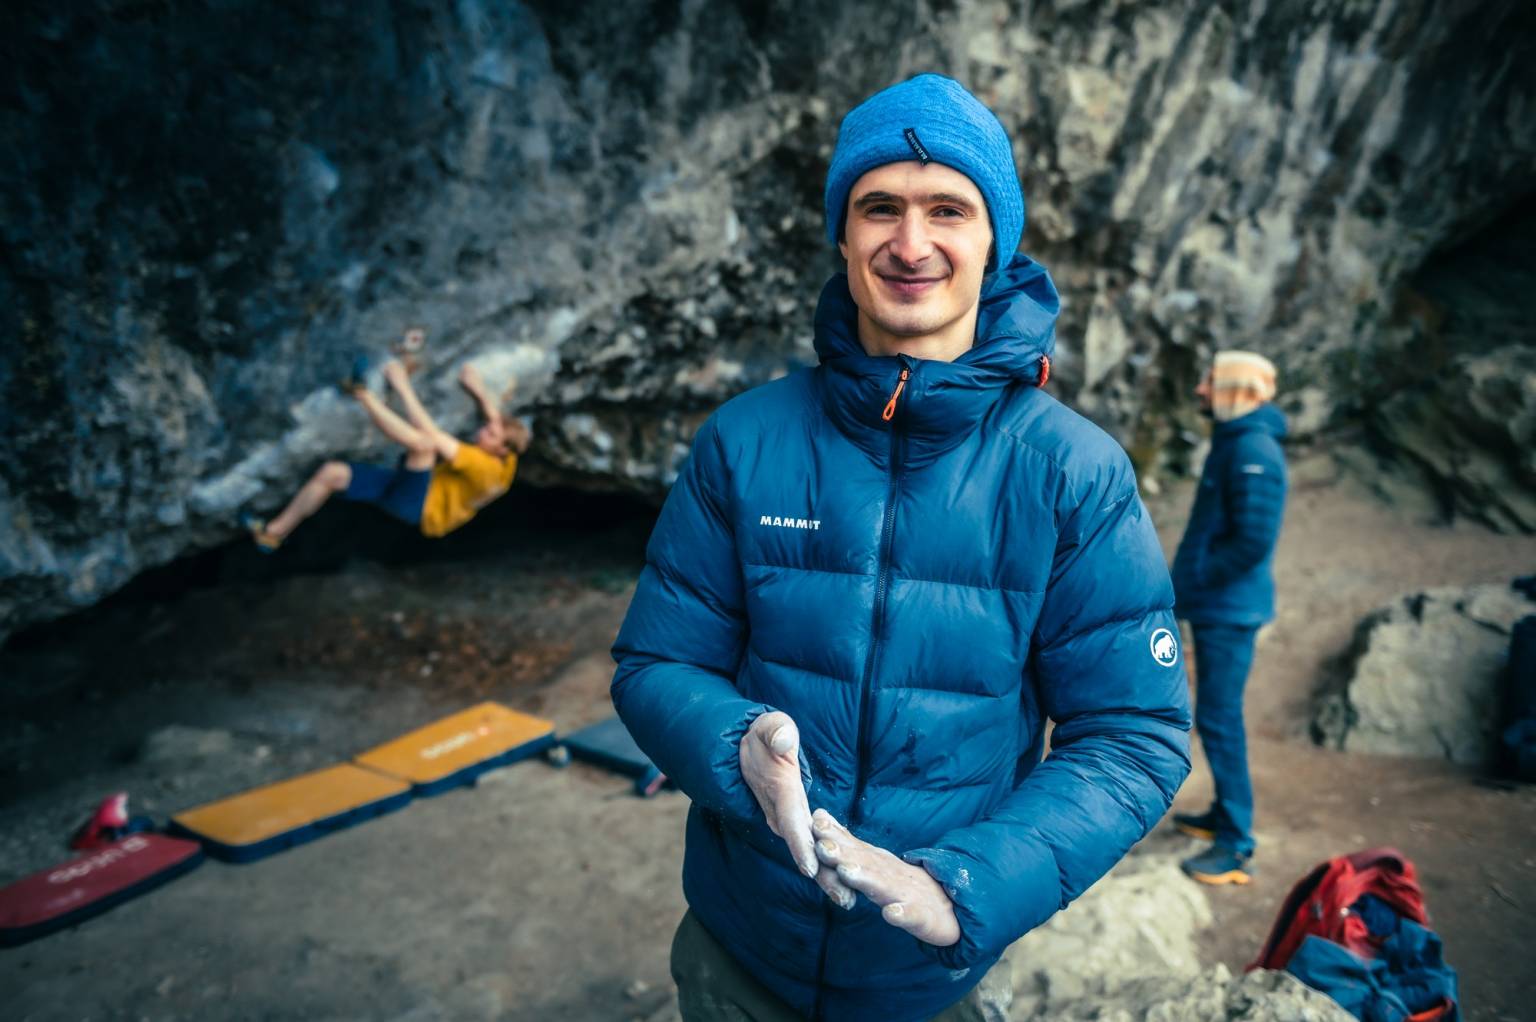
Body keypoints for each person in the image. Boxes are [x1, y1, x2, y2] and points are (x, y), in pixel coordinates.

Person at [611, 74, 1192, 1021]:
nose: (911, 244)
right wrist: (733, 745)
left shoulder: (1071, 472)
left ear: (994, 242)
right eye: (879, 207)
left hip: (929, 978)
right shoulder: (745, 441)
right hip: (738, 950)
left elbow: (1134, 736)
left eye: (948, 210)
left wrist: (963, 889)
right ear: (843, 236)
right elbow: (656, 662)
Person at [1169, 351, 1288, 885]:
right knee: (1217, 715)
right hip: (1219, 605)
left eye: (1211, 380)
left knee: (1219, 718)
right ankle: (1224, 815)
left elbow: (1252, 542)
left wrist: (1196, 579)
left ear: (1237, 388)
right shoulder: (1236, 442)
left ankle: (1237, 842)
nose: (1200, 389)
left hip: (1229, 610)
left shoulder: (1253, 450)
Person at [243, 359, 529, 550]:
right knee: (332, 473)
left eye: (490, 435)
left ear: (500, 449)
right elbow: (498, 423)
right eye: (487, 428)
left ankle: (362, 394)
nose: (482, 431)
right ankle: (273, 534)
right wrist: (479, 390)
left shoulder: (482, 466)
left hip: (418, 506)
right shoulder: (507, 460)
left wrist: (402, 384)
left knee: (424, 447)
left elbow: (430, 434)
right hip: (409, 488)